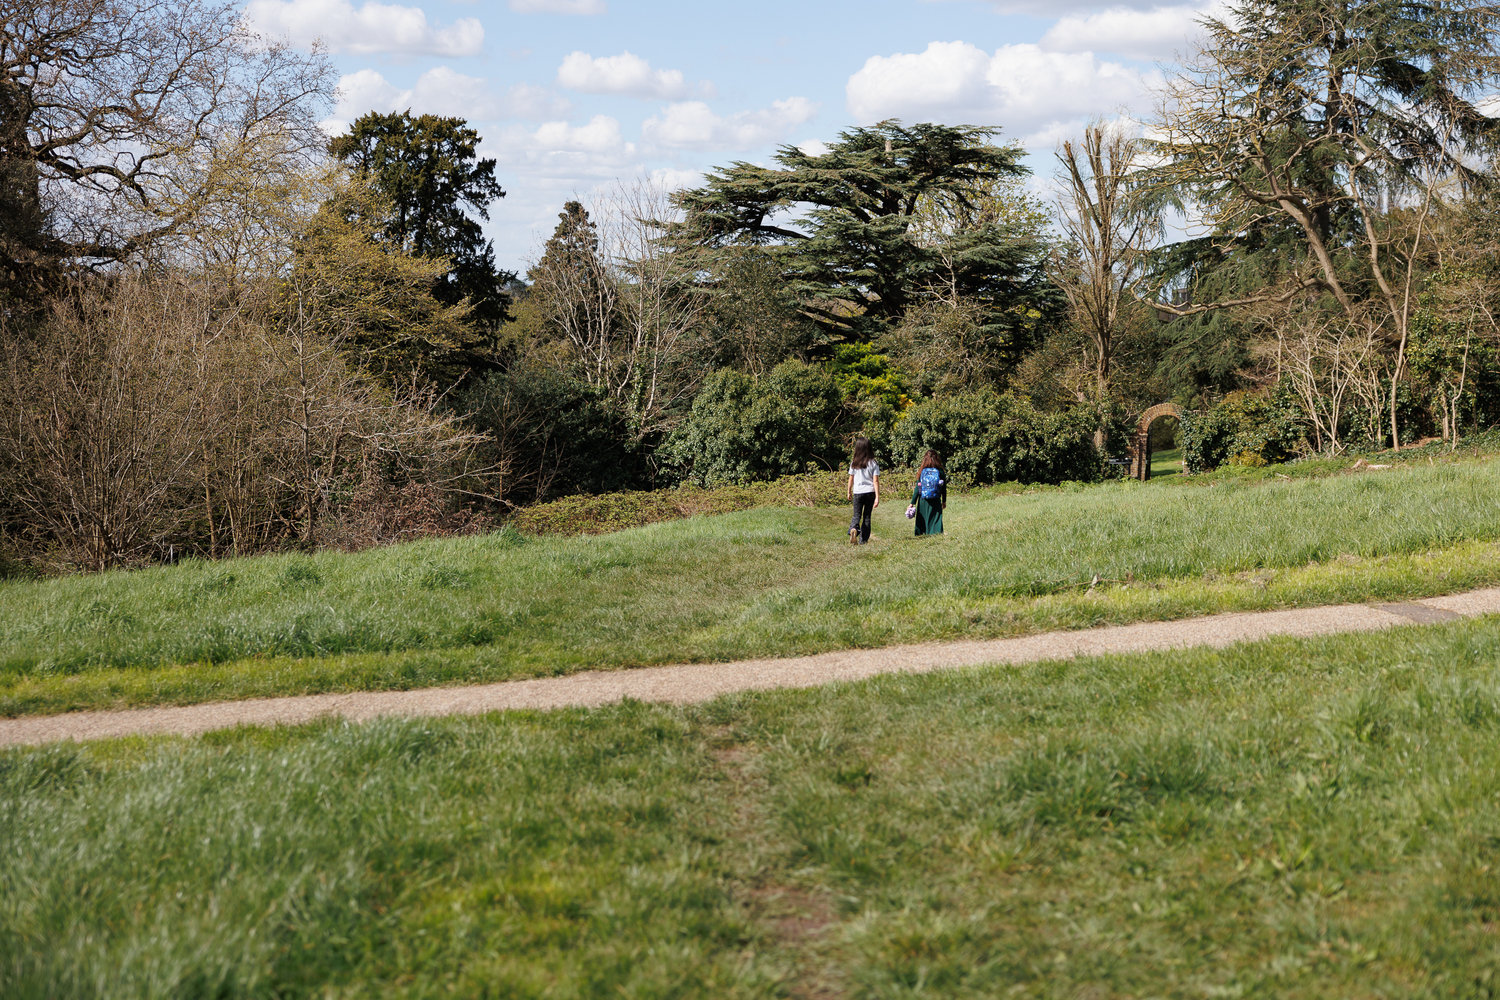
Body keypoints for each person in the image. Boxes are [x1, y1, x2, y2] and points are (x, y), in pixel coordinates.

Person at [846, 436, 879, 545]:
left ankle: (853, 528)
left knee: (857, 515)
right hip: (870, 492)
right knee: (867, 517)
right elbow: (875, 481)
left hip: (858, 492)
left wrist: (848, 491)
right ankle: (863, 541)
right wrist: (877, 497)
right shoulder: (873, 463)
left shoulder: (854, 463)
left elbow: (851, 478)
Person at [909, 450, 946, 536]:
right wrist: (944, 501)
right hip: (936, 499)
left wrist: (912, 503)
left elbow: (917, 488)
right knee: (936, 518)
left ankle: (920, 533)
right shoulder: (940, 471)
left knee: (923, 518)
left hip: (923, 499)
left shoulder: (922, 471)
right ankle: (936, 533)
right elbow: (943, 488)